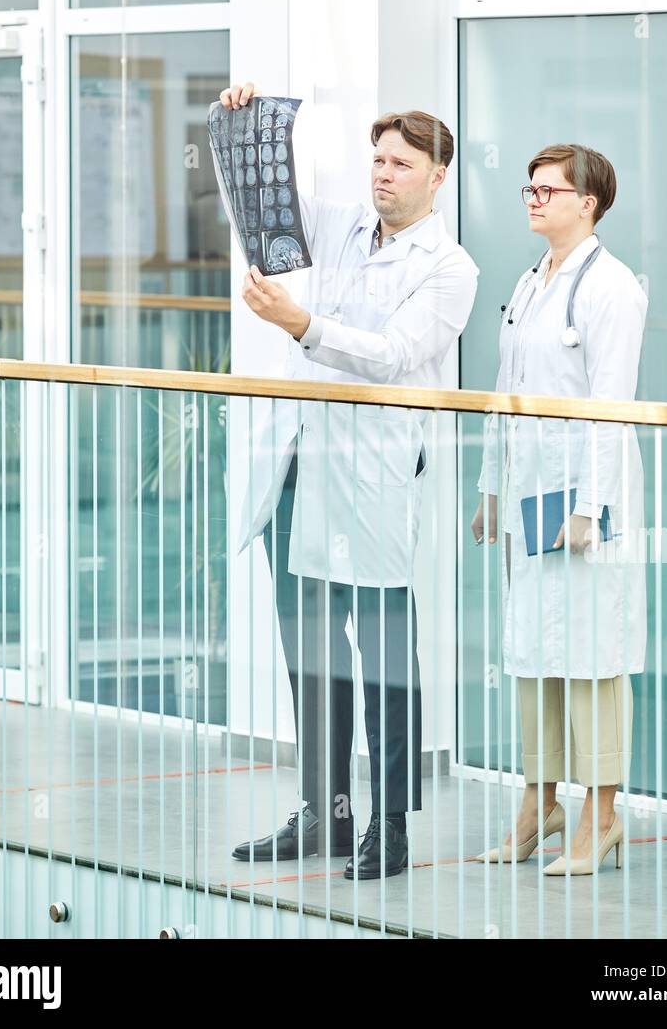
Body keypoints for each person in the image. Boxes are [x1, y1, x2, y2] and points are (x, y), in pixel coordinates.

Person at [222, 81, 478, 879]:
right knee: (309, 654)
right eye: (377, 160)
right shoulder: (340, 227)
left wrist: (303, 326)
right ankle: (324, 814)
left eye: (401, 163)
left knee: (383, 660)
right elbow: (267, 204)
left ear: (438, 176)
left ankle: (389, 826)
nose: (383, 174)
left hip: (372, 478)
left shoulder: (449, 268)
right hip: (303, 467)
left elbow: (393, 356)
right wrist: (245, 124)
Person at [471, 143, 647, 875]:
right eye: (530, 188)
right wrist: (488, 487)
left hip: (582, 499)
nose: (534, 198)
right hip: (527, 493)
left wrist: (590, 507)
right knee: (534, 656)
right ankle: (537, 806)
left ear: (590, 203)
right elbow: (502, 389)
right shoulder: (530, 280)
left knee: (591, 658)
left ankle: (598, 818)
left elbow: (611, 404)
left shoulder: (612, 289)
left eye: (550, 189)